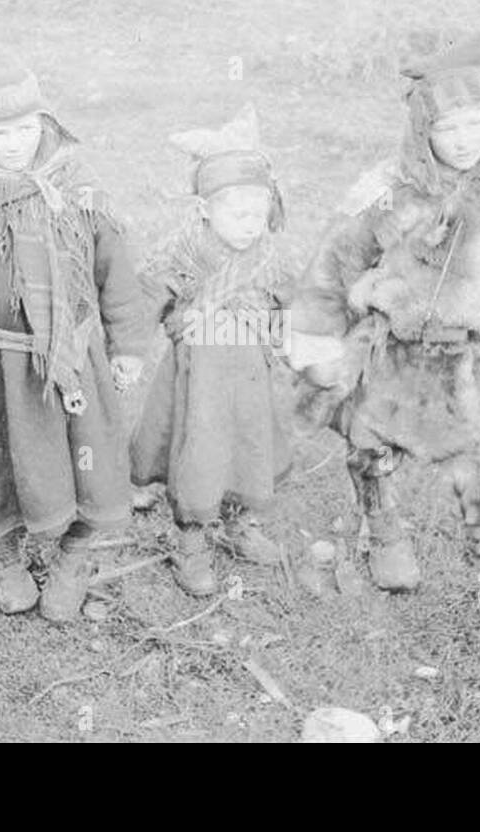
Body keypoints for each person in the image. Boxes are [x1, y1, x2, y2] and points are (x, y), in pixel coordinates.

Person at [285, 28, 480, 592]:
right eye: (446, 127)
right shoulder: (389, 193)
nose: (462, 141)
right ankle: (385, 535)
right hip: (389, 356)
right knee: (371, 449)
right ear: (422, 131)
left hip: (463, 364)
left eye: (473, 126)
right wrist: (317, 336)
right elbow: (336, 261)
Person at [0, 48, 145, 622]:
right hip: (5, 368)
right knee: (4, 465)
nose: (13, 144)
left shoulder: (77, 186)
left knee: (92, 460)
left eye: (24, 129)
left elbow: (115, 272)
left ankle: (74, 555)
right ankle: (5, 558)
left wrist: (128, 344)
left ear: (45, 122)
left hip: (76, 358)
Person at [131, 106, 297, 596]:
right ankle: (193, 536)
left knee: (250, 443)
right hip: (198, 376)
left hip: (248, 377)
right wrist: (128, 353)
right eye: (237, 214)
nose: (250, 225)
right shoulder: (182, 253)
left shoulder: (270, 256)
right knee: (199, 449)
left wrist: (294, 338)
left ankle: (237, 522)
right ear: (204, 209)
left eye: (259, 213)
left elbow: (294, 302)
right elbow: (145, 301)